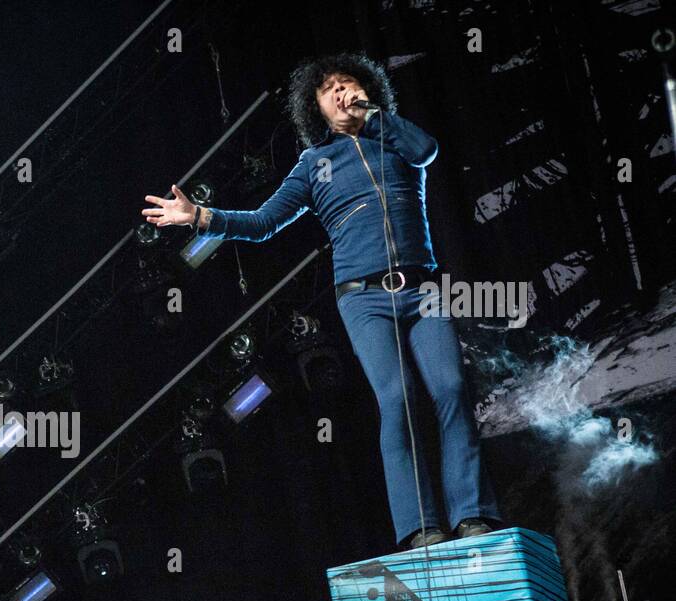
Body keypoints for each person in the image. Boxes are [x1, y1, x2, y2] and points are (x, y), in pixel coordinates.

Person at [143, 53, 501, 551]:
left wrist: (377, 117)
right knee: (397, 400)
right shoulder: (315, 164)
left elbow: (427, 150)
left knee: (452, 388)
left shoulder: (394, 139)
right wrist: (200, 216)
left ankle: (472, 515)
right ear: (315, 107)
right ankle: (421, 527)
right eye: (328, 88)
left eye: (347, 82)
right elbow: (264, 222)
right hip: (363, 298)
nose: (339, 91)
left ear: (367, 89)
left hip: (424, 289)